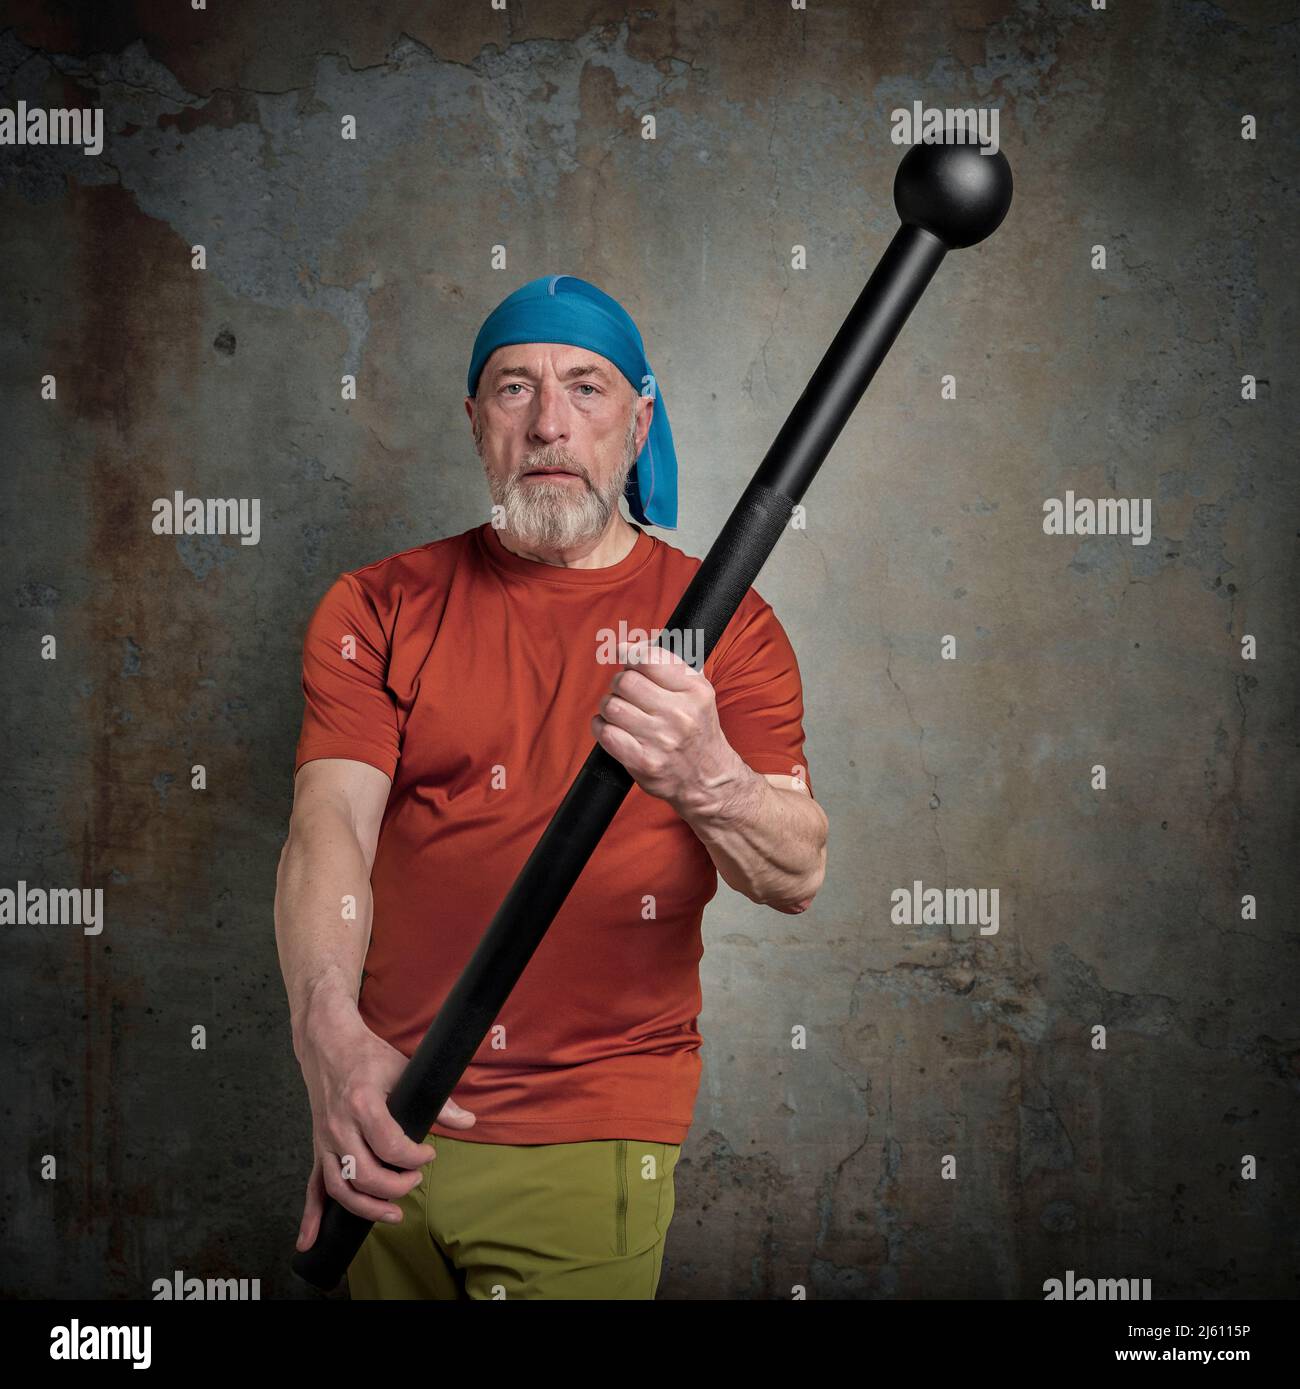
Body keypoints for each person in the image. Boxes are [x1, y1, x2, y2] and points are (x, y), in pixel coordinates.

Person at [274, 274, 828, 1300]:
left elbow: (795, 870)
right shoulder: (376, 604)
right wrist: (328, 1040)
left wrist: (709, 779)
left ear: (638, 420)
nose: (549, 423)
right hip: (388, 1109)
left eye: (586, 388)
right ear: (475, 421)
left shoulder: (727, 627)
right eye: (513, 389)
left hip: (590, 1129)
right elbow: (329, 831)